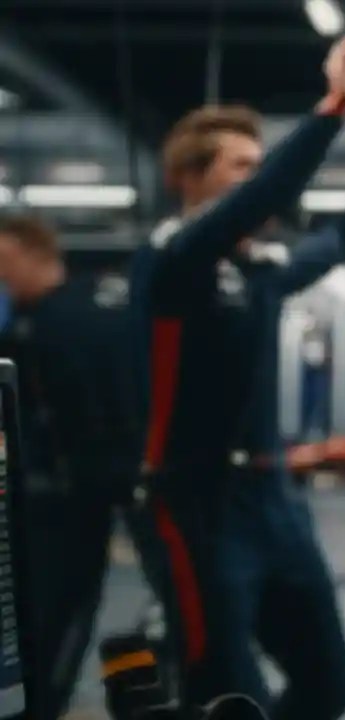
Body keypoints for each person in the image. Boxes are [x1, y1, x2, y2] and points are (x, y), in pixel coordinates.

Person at [131, 36, 345, 719]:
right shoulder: (172, 265)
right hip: (197, 504)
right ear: (188, 177)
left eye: (257, 163)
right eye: (240, 165)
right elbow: (267, 194)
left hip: (274, 500)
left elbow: (341, 240)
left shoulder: (258, 272)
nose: (258, 176)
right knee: (228, 695)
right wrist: (334, 110)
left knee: (331, 685)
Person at [0, 215, 161, 720]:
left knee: (55, 612)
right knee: (65, 610)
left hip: (72, 492)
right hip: (118, 480)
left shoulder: (46, 323)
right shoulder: (101, 307)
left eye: (4, 262)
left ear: (33, 252)